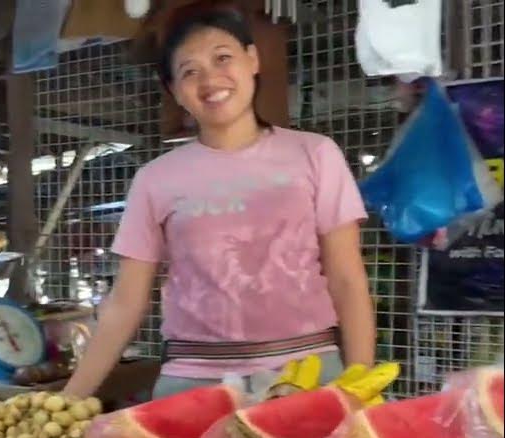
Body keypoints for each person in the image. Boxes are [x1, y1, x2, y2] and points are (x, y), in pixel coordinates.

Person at [62, 7, 375, 400]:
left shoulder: (315, 154)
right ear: (176, 91)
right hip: (192, 382)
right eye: (190, 71)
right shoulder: (154, 179)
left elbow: (347, 280)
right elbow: (126, 302)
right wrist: (67, 400)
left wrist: (361, 388)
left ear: (253, 59)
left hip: (308, 375)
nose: (210, 79)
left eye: (223, 58)